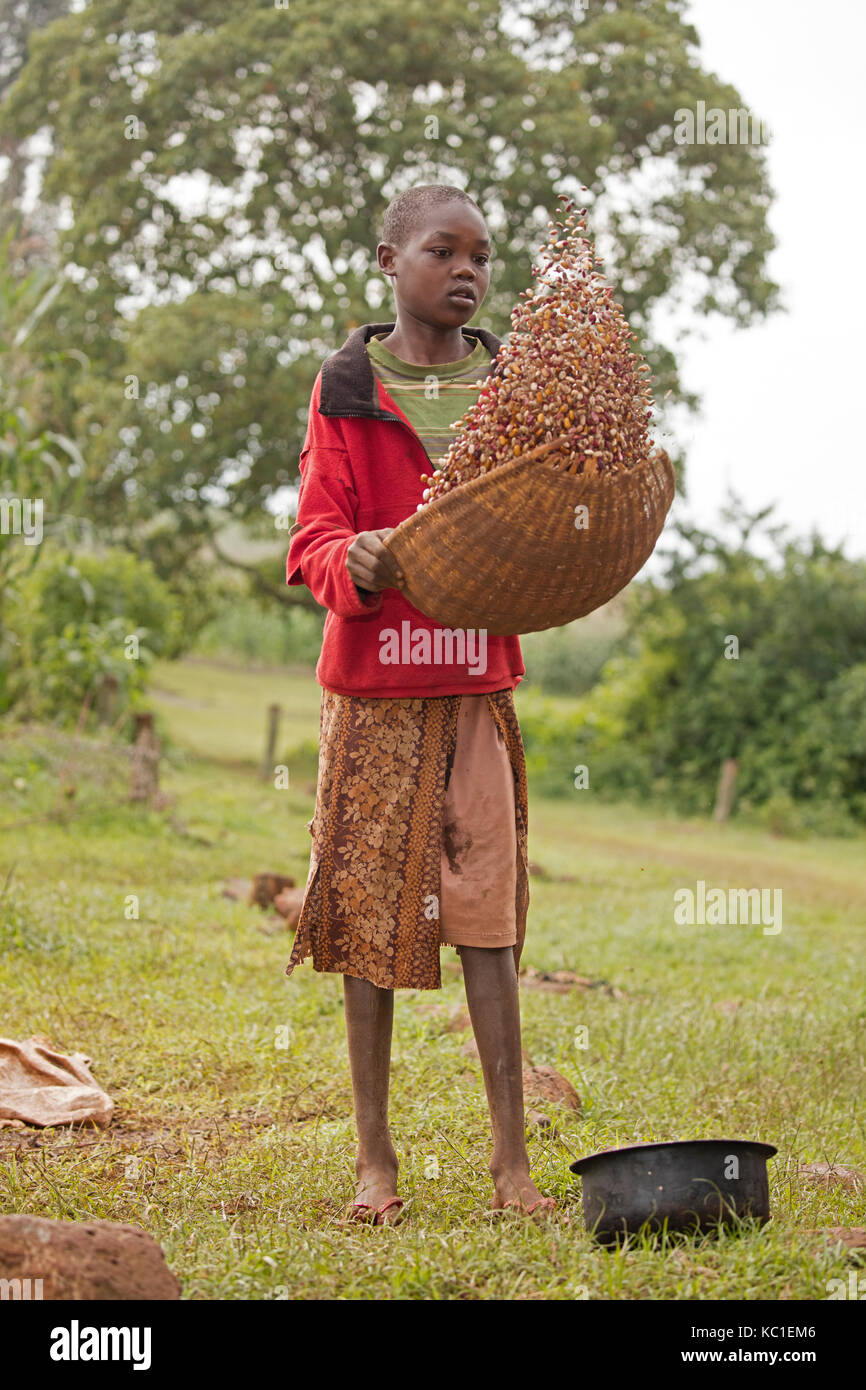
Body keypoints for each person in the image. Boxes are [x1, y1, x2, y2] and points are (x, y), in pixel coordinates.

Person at [285, 184, 556, 1226]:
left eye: (482, 256)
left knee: (488, 922)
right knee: (366, 930)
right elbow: (315, 531)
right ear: (388, 260)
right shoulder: (344, 386)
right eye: (443, 251)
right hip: (375, 690)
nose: (467, 271)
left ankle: (509, 1167)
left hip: (476, 689)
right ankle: (374, 1162)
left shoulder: (509, 386)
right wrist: (347, 558)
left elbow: (541, 521)